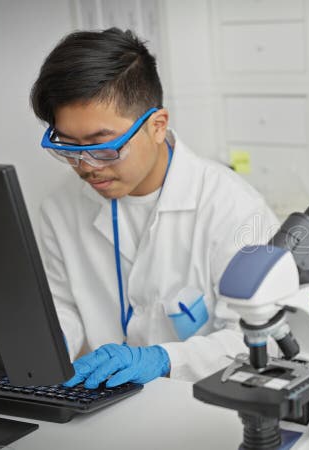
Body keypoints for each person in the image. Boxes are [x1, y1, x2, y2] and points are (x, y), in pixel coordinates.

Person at [30, 28, 279, 389]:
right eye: (69, 148)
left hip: (206, 409)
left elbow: (261, 341)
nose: (86, 166)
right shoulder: (59, 208)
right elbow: (61, 310)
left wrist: (165, 360)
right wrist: (35, 355)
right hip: (106, 407)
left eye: (102, 147)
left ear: (157, 125)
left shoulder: (234, 209)